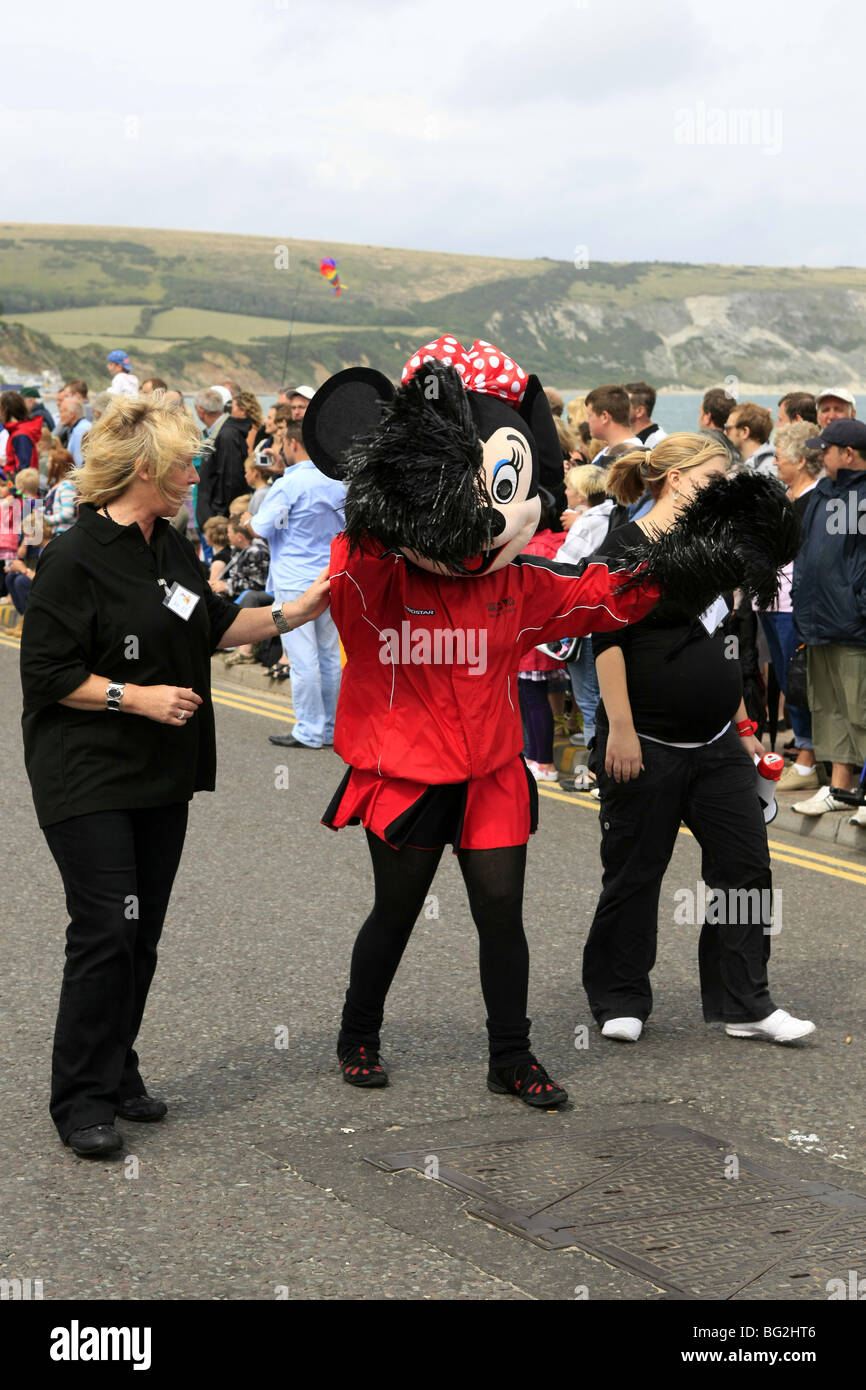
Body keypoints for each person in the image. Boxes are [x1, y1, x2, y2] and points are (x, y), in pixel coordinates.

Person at [305, 337, 662, 1107]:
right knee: (395, 912)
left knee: (502, 918)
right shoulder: (378, 576)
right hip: (405, 772)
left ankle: (512, 1056)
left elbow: (606, 597)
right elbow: (356, 547)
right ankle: (357, 1032)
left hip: (493, 774)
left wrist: (688, 553)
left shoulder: (522, 582)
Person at [19, 393, 329, 1158]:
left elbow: (218, 626)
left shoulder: (169, 547)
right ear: (148, 470)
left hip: (161, 772)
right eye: (186, 463)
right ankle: (82, 1099)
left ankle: (118, 1068)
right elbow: (48, 672)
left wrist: (308, 606)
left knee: (141, 933)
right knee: (105, 930)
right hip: (85, 769)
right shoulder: (74, 556)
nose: (197, 475)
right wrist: (135, 697)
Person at [583, 433, 815, 1046]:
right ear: (680, 479)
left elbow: (724, 644)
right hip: (644, 741)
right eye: (716, 481)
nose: (725, 492)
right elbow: (604, 643)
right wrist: (622, 731)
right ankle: (621, 996)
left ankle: (745, 1002)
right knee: (635, 872)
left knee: (745, 869)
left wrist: (741, 728)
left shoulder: (715, 550)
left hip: (716, 745)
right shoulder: (624, 547)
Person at [790, 419, 866, 825]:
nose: (821, 456)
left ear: (848, 455)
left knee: (860, 710)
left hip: (853, 624)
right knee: (831, 709)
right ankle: (840, 790)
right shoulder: (821, 494)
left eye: (828, 450)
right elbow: (806, 555)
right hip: (820, 621)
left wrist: (859, 606)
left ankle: (861, 793)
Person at [253, 421, 346, 749]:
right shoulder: (339, 480)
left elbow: (262, 527)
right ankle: (331, 729)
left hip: (294, 581)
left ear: (292, 444)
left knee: (303, 656)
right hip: (330, 576)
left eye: (282, 443)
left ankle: (308, 729)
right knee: (328, 656)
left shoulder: (289, 485)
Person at [759, 423, 822, 792]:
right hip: (770, 599)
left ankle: (808, 758)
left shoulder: (815, 499)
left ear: (800, 460)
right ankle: (804, 749)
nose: (776, 463)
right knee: (786, 677)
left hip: (790, 602)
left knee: (797, 680)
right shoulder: (787, 494)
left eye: (781, 457)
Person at [517, 492, 569, 782]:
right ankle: (535, 756)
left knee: (533, 699)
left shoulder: (531, 548)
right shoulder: (558, 542)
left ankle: (543, 761)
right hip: (551, 636)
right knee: (535, 698)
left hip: (532, 637)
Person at [194, 387, 248, 528]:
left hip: (218, 522)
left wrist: (219, 515)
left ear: (200, 410)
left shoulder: (227, 436)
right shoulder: (219, 433)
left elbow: (231, 479)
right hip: (212, 518)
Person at [584, 385, 641, 459]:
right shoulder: (605, 453)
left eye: (589, 415)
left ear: (605, 417)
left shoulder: (632, 457)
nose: (587, 421)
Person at [724, 402, 776, 475]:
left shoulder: (770, 468)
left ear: (745, 432)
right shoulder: (743, 466)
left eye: (728, 428)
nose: (725, 432)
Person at [1, 390, 45, 476]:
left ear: (5, 410)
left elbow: (23, 470)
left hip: (20, 486)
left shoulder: (21, 435)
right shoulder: (20, 430)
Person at [43, 444, 79, 536]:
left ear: (56, 465)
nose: (47, 465)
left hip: (64, 533)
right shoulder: (56, 486)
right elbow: (50, 507)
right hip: (56, 532)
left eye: (49, 462)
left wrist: (46, 519)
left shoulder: (66, 485)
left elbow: (68, 513)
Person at [625, 381, 666, 448]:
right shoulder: (629, 439)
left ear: (639, 411)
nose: (617, 407)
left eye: (624, 404)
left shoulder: (658, 443)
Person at [57, 393, 91, 468]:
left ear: (72, 414)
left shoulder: (80, 431)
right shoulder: (83, 426)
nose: (59, 415)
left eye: (61, 411)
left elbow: (79, 464)